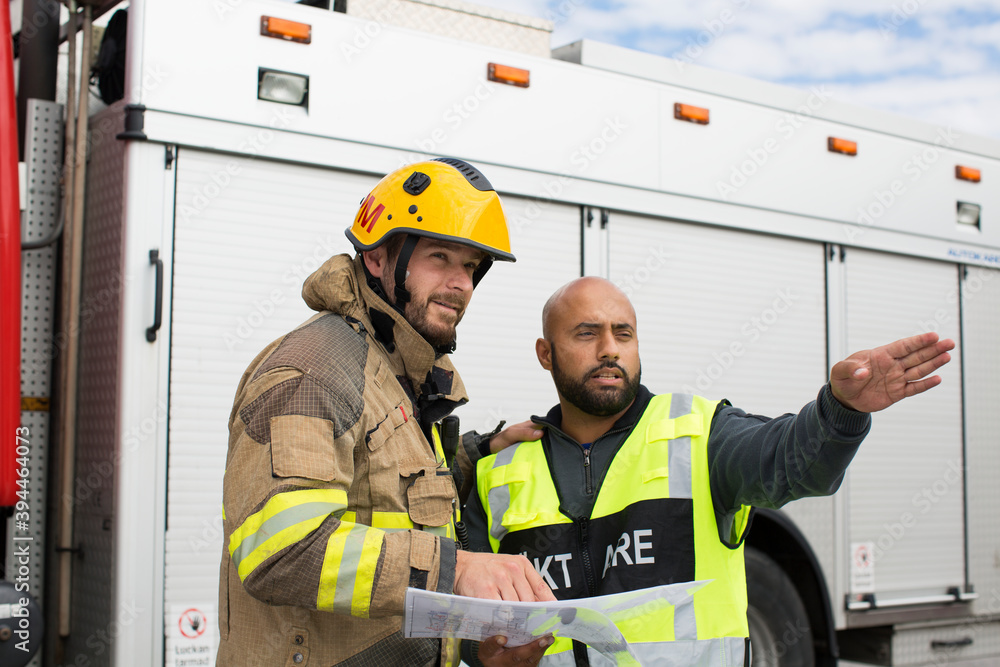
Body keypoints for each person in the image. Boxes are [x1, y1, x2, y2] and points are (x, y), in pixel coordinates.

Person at [464, 276, 955, 666]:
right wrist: (487, 658)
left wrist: (840, 410)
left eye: (624, 333)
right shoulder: (498, 471)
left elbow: (792, 465)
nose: (609, 349)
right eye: (587, 333)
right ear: (545, 353)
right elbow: (468, 626)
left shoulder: (700, 433)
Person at [216, 158, 555, 667]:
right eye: (440, 257)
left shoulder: (400, 373)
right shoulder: (315, 372)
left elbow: (385, 495)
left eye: (470, 266)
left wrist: (479, 454)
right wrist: (455, 570)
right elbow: (279, 551)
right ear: (377, 259)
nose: (460, 284)